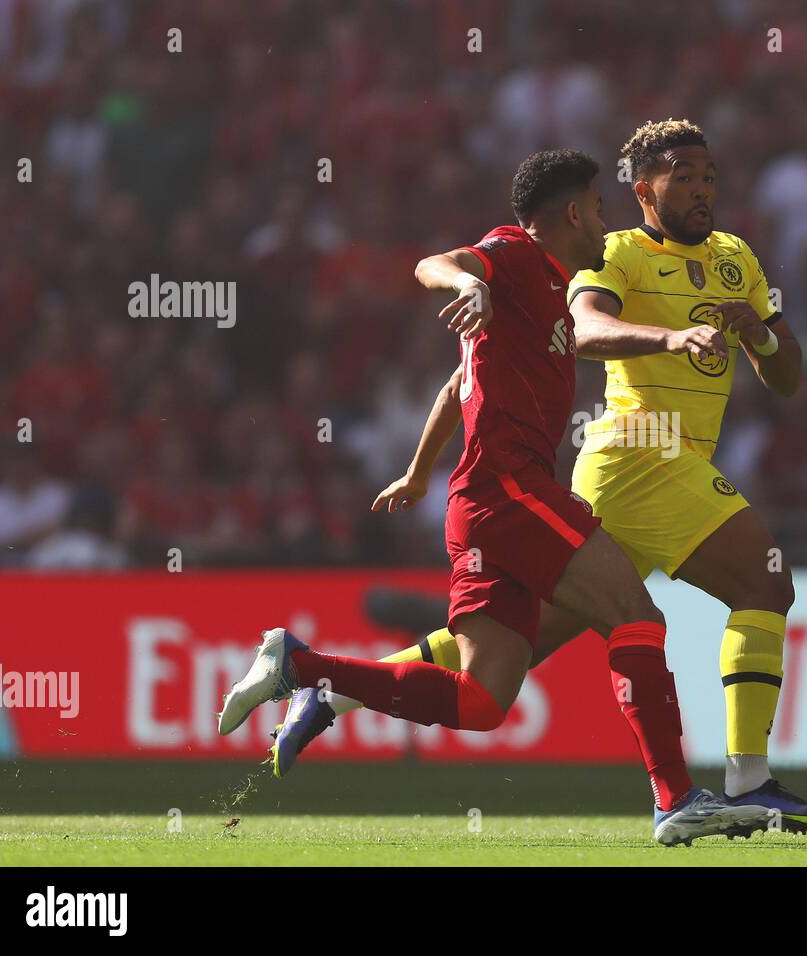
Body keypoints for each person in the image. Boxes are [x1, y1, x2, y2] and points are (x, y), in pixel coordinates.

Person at [218, 149, 770, 846]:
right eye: (599, 206)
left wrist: (419, 471)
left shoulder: (549, 294)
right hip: (512, 489)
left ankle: (300, 666)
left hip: (476, 505)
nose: (605, 218)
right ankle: (676, 798)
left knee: (482, 703)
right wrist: (464, 283)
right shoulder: (514, 256)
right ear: (572, 213)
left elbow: (458, 386)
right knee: (636, 616)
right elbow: (436, 265)